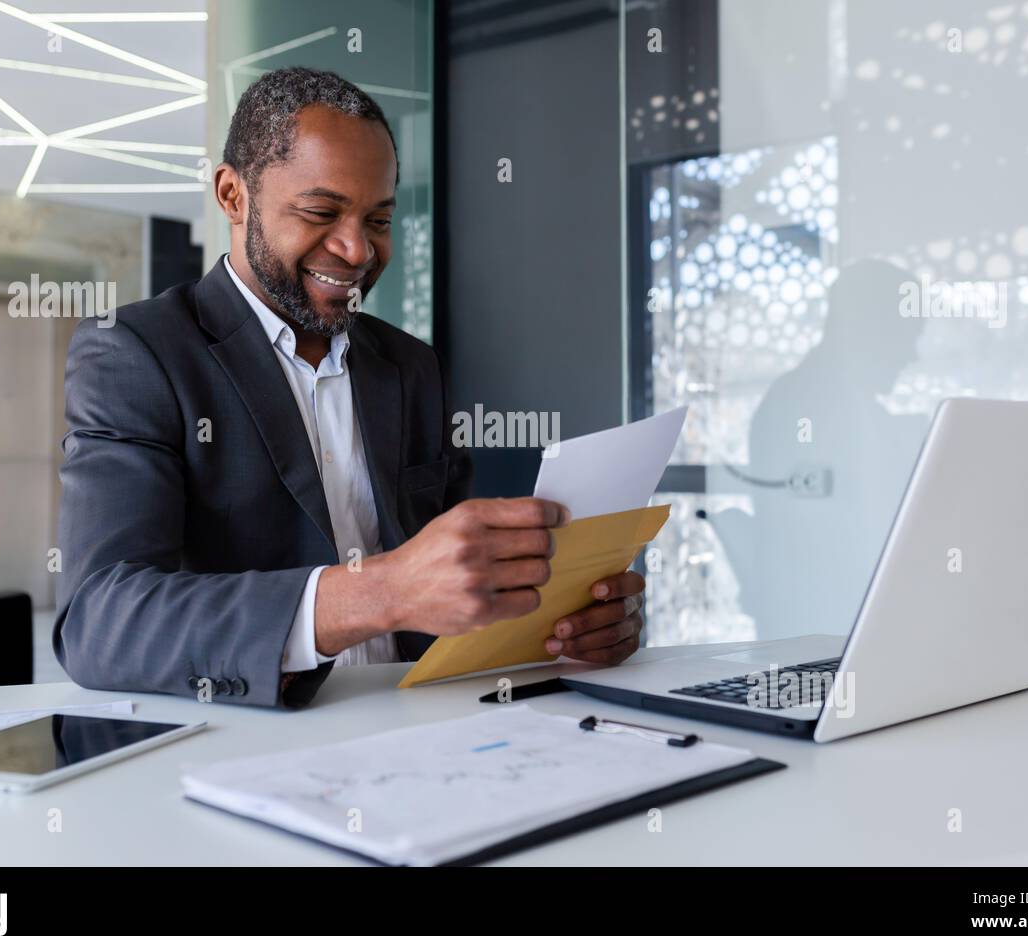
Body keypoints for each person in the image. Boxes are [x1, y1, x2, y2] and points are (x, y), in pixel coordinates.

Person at [53, 67, 645, 708]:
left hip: (427, 732)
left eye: (380, 220)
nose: (357, 249)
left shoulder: (413, 367)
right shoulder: (137, 352)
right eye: (321, 211)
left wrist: (556, 625)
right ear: (233, 195)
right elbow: (98, 621)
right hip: (252, 754)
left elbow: (446, 592)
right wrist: (381, 590)